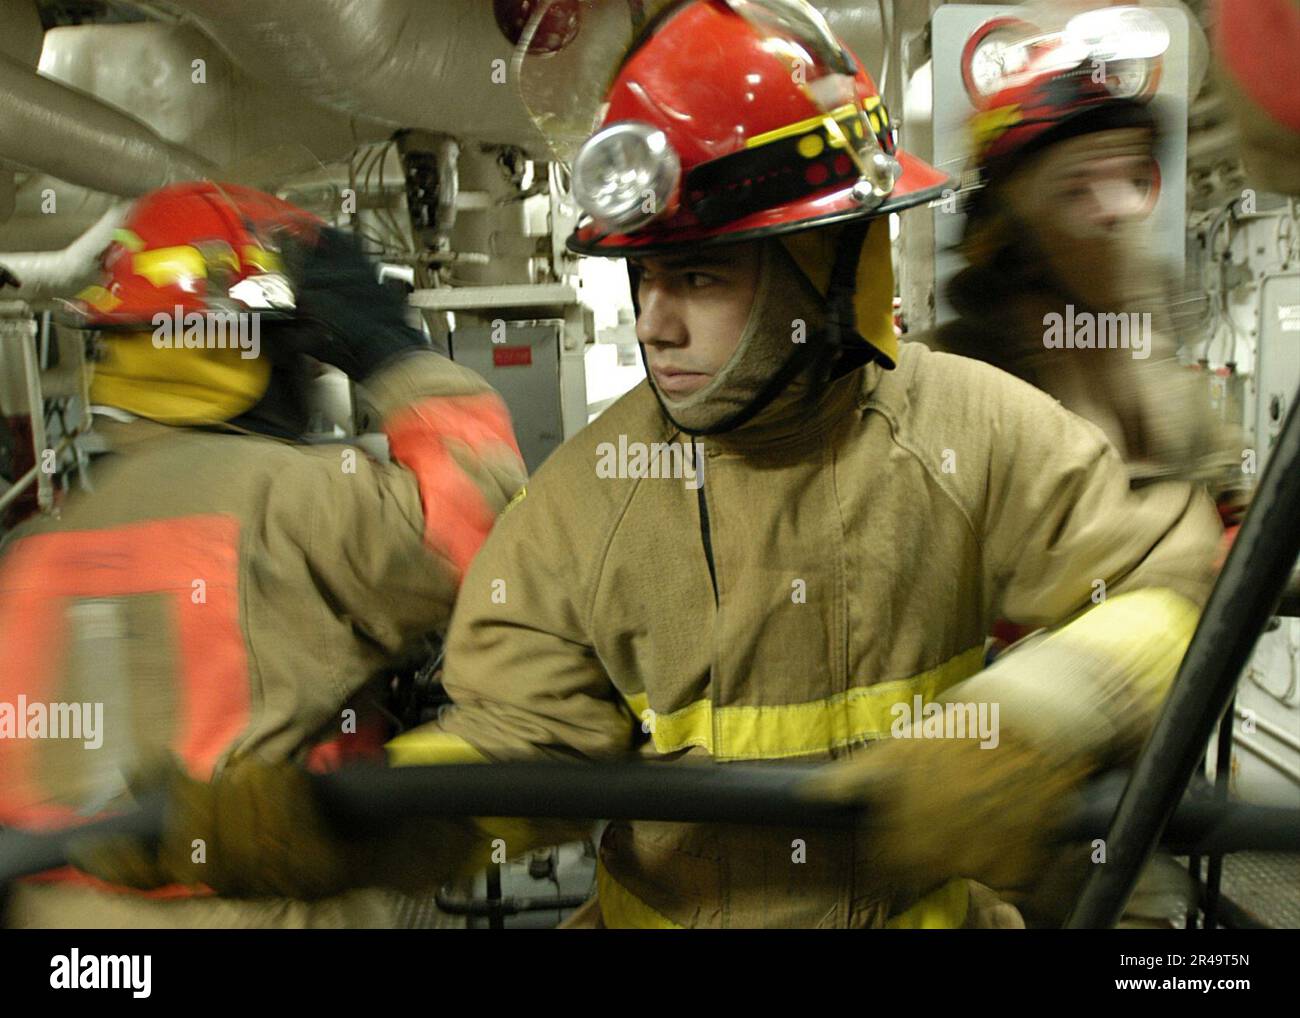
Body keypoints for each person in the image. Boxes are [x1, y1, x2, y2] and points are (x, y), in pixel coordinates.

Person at [65, 1, 1222, 928]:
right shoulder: (590, 492)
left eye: (703, 278)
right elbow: (523, 752)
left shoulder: (978, 430)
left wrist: (1042, 712)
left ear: (826, 263)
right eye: (646, 278)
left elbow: (1164, 589)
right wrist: (350, 824)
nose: (656, 324)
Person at [0, 181, 526, 928]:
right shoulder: (290, 498)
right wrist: (392, 351)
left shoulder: (34, 548)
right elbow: (494, 529)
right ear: (268, 352)